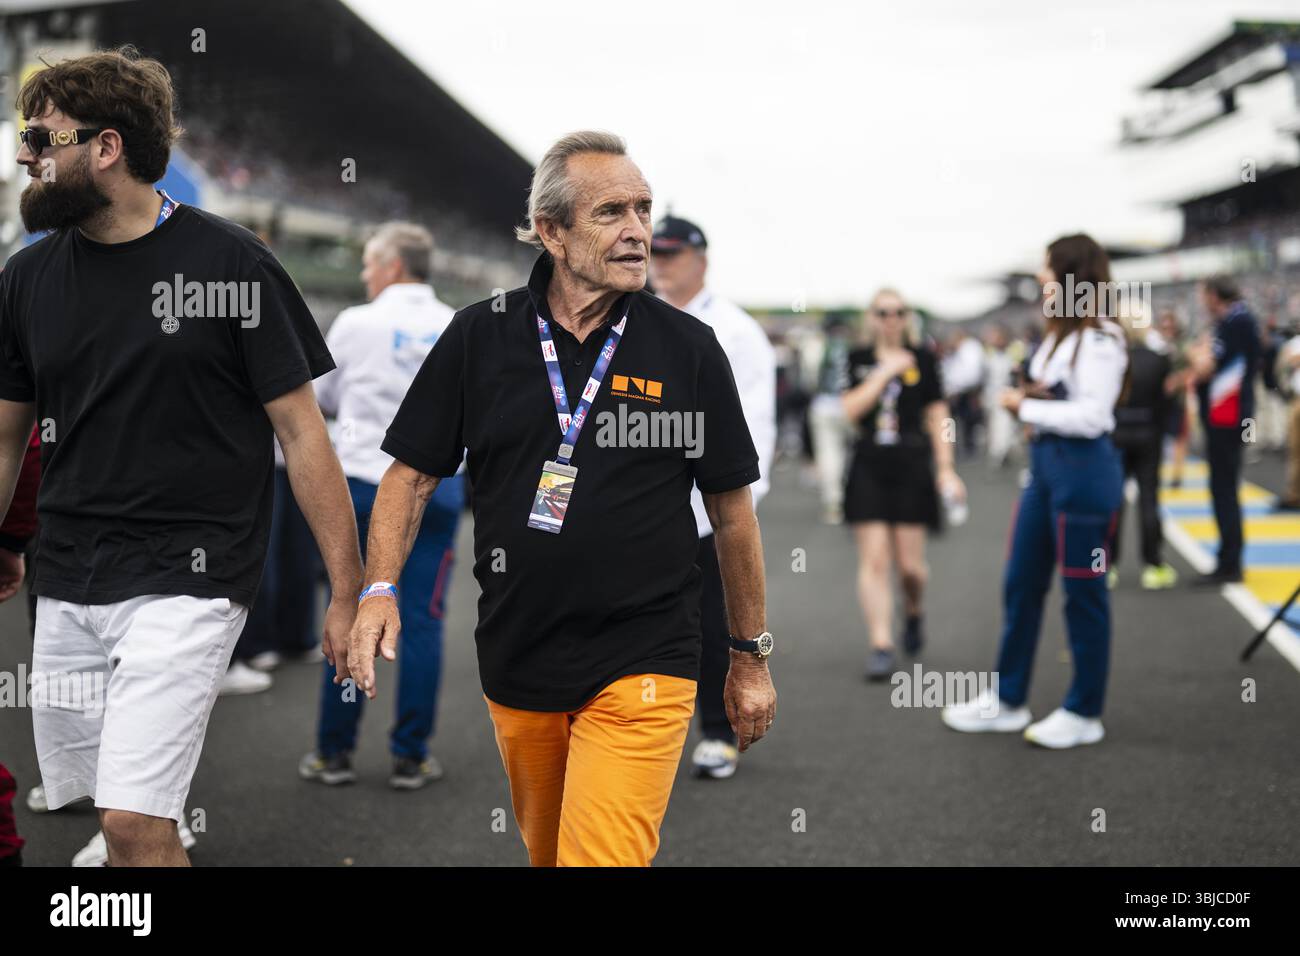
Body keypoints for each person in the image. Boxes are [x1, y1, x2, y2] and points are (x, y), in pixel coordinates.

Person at [347, 131, 777, 866]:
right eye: (613, 211)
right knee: (550, 854)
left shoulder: (689, 348)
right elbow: (410, 475)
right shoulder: (478, 335)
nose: (639, 230)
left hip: (650, 651)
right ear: (551, 231)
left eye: (643, 208)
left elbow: (733, 513)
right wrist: (379, 587)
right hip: (519, 653)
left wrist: (749, 656)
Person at [0, 48, 361, 866]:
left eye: (38, 135)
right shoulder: (25, 278)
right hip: (67, 576)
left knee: (129, 823)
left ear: (106, 148)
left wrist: (347, 590)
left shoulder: (232, 263)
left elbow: (303, 433)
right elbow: (6, 435)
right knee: (111, 809)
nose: (24, 153)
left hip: (189, 573)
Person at [942, 234, 1126, 749]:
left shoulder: (1100, 337)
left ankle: (1085, 710)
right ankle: (1008, 698)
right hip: (1047, 472)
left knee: (1083, 595)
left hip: (1084, 476)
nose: (1041, 280)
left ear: (1071, 276)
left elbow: (1094, 416)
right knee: (1021, 584)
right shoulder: (1059, 335)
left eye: (1048, 271)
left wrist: (1024, 408)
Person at [299, 222, 465, 790]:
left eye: (371, 263)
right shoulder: (456, 325)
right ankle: (411, 754)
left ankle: (334, 752)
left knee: (348, 604)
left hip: (364, 485)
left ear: (393, 266)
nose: (366, 274)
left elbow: (320, 400)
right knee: (423, 622)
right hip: (438, 489)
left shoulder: (356, 322)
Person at [648, 215, 776, 781]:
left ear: (701, 259)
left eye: (671, 253)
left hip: (706, 509)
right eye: (655, 252)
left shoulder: (736, 331)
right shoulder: (634, 318)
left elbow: (755, 428)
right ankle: (645, 727)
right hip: (645, 505)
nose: (659, 262)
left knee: (713, 624)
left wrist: (734, 511)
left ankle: (719, 733)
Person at [841, 289, 964, 680]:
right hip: (869, 462)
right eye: (882, 312)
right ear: (872, 317)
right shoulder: (857, 358)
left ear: (907, 316)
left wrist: (946, 467)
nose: (891, 319)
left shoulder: (926, 359)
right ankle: (881, 643)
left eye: (898, 312)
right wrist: (885, 372)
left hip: (912, 461)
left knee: (911, 568)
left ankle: (913, 611)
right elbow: (849, 411)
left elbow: (939, 415)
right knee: (874, 560)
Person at [1188, 275, 1260, 585]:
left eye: (1204, 294)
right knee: (1225, 486)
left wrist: (1196, 352)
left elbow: (1205, 365)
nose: (1202, 300)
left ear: (1215, 295)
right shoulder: (1237, 320)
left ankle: (1230, 562)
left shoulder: (1235, 321)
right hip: (1231, 415)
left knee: (1224, 488)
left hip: (1229, 416)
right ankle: (1228, 558)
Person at [1110, 306, 1177, 590]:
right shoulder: (1160, 360)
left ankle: (1106, 567)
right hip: (1149, 434)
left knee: (1114, 501)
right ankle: (1153, 565)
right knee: (1149, 499)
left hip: (1117, 434)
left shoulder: (1112, 359)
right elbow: (1168, 403)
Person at [808, 314, 856, 523]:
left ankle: (834, 503)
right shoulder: (853, 347)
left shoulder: (820, 347)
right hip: (852, 403)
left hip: (825, 403)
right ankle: (855, 495)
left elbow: (809, 378)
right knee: (853, 451)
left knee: (829, 454)